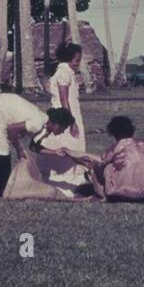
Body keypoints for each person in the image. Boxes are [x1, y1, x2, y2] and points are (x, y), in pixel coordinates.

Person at [0, 92, 72, 195]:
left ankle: (2, 187)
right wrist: (19, 149)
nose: (63, 131)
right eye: (63, 128)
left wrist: (55, 152)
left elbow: (33, 147)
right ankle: (2, 189)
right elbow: (12, 130)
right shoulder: (38, 123)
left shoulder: (44, 125)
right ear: (55, 123)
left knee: (1, 154)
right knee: (1, 151)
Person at [86, 116, 144, 202]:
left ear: (113, 133)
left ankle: (101, 196)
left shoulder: (114, 148)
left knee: (101, 166)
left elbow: (101, 164)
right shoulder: (143, 143)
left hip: (122, 193)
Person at [40, 41, 88, 189]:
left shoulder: (67, 72)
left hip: (70, 110)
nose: (78, 63)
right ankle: (63, 174)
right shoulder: (64, 73)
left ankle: (69, 173)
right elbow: (64, 98)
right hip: (65, 114)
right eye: (76, 60)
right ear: (68, 59)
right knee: (68, 142)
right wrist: (71, 121)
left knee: (70, 142)